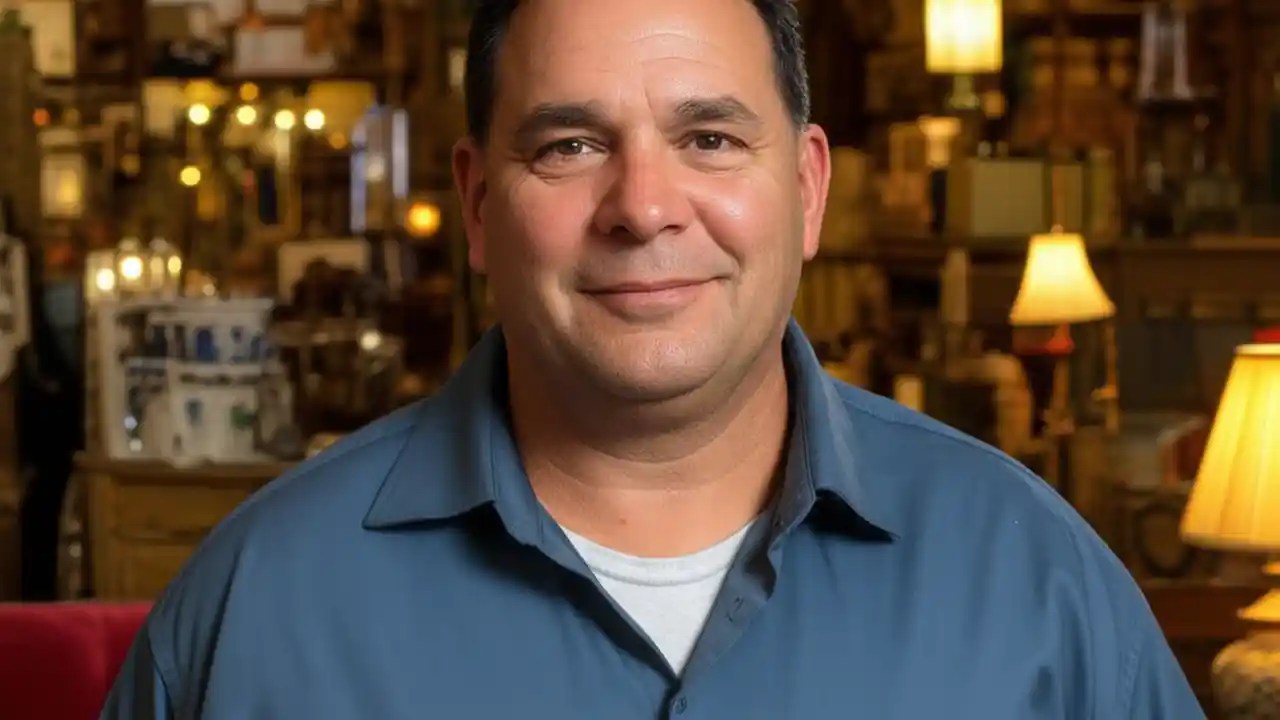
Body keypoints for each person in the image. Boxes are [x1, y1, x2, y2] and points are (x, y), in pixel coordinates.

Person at [103, 0, 1203, 717]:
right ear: (480, 205)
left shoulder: (1033, 584)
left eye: (709, 139)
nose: (641, 207)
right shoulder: (256, 608)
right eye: (570, 144)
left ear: (807, 190)